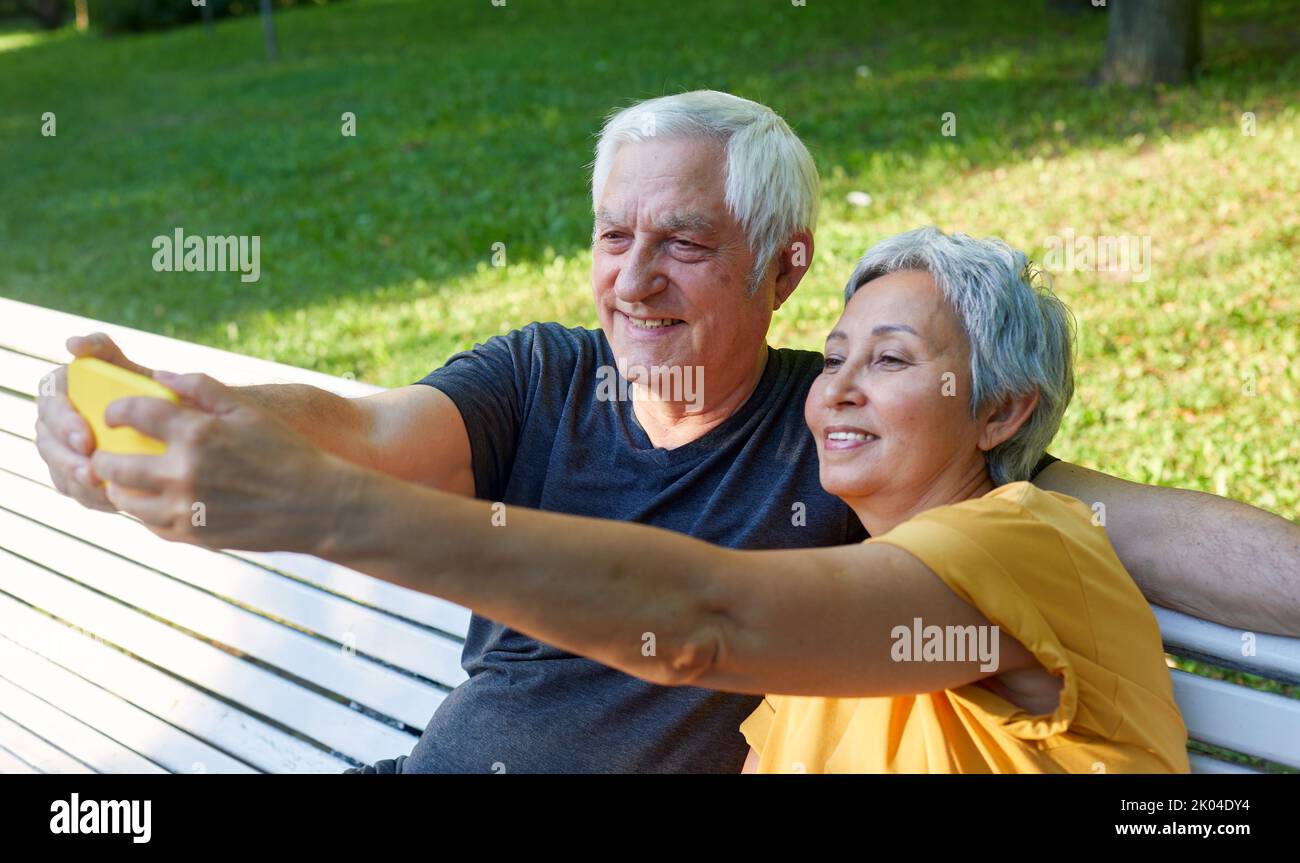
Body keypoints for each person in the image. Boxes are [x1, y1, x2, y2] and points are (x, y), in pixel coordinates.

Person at [36, 91, 1298, 773]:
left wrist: (324, 512)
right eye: (611, 238)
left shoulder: (907, 477)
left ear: (779, 265)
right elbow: (355, 425)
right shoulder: (548, 378)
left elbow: (716, 620)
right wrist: (174, 415)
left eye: (685, 244)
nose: (633, 282)